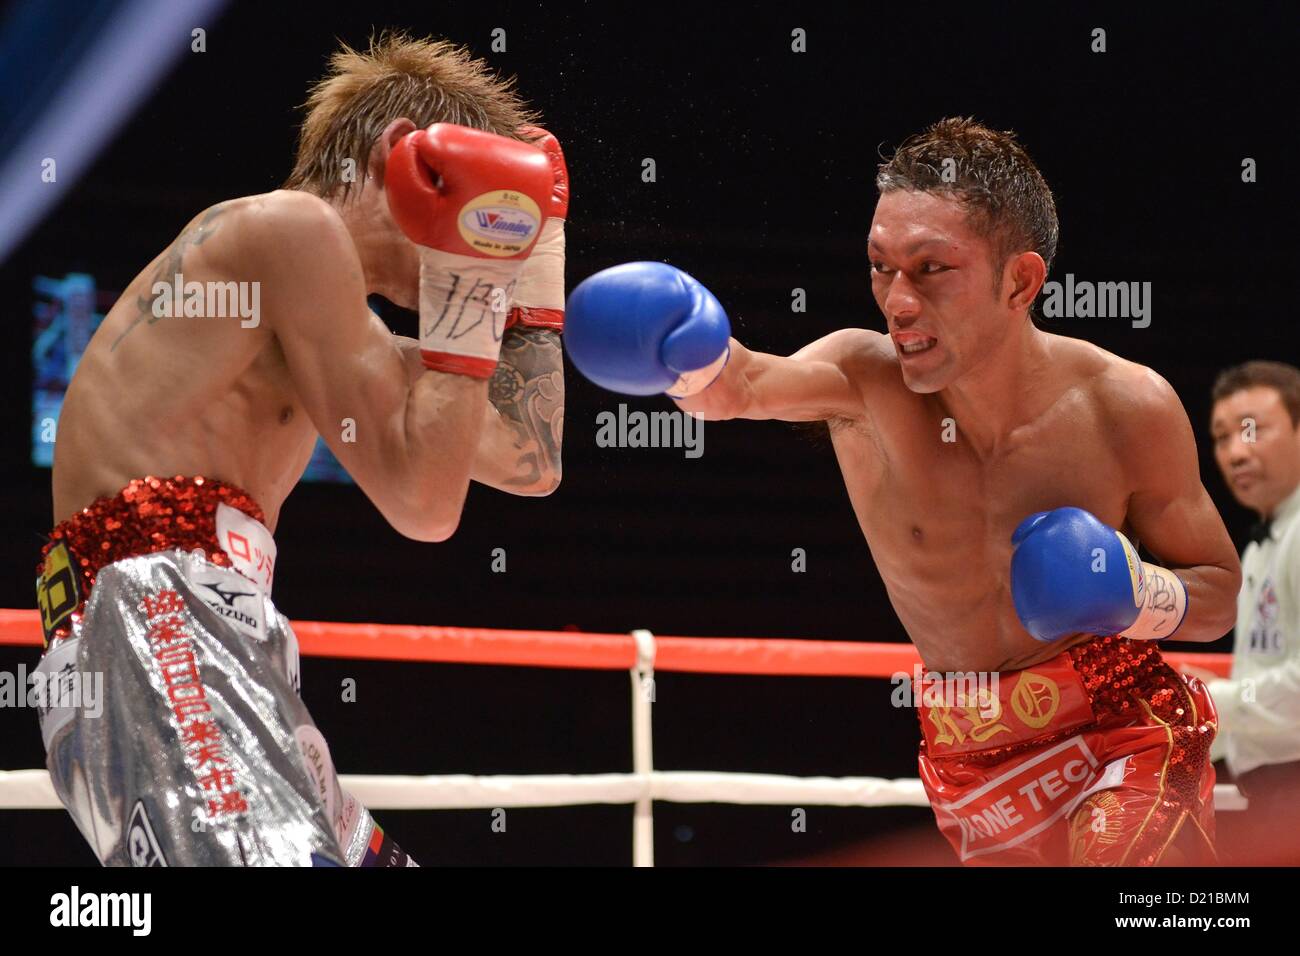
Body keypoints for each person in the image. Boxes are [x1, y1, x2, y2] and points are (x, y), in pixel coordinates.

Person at [564, 117, 1240, 865]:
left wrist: (1138, 594)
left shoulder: (1126, 407)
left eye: (930, 269)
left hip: (1122, 725)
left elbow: (1219, 591)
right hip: (971, 756)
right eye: (881, 266)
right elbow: (743, 382)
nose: (897, 300)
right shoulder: (864, 380)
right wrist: (680, 355)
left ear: (1020, 281)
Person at [33, 33, 569, 866]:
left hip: (203, 630)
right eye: (481, 206)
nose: (487, 238)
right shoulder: (288, 230)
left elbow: (529, 462)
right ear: (408, 162)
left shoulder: (330, 324)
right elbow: (425, 506)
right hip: (158, 618)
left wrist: (536, 276)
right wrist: (475, 280)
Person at [1190, 361, 1300, 864]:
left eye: (1253, 430)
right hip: (1273, 791)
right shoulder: (1262, 546)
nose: (1235, 452)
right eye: (1221, 437)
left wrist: (1211, 702)